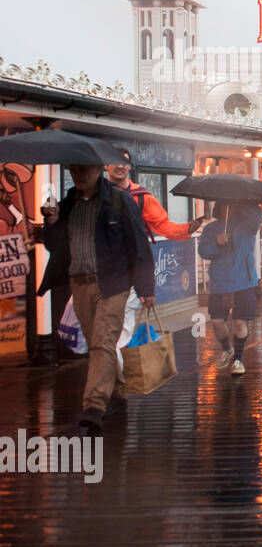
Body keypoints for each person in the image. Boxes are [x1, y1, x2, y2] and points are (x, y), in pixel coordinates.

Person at [36, 163, 156, 435]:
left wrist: (146, 288)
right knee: (95, 343)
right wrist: (52, 222)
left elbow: (138, 243)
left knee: (103, 341)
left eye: (84, 171)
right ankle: (117, 394)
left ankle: (94, 407)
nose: (78, 176)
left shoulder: (118, 200)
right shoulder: (68, 203)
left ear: (98, 170)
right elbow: (56, 246)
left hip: (113, 283)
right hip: (79, 283)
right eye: (74, 171)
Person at [198, 200, 262, 376]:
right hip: (220, 283)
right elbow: (204, 252)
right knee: (217, 321)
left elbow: (258, 217)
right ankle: (227, 349)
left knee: (239, 321)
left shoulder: (247, 225)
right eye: (225, 204)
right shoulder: (210, 229)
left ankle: (238, 359)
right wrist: (217, 242)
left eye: (232, 204)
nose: (229, 207)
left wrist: (245, 203)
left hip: (244, 282)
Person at [106, 147, 204, 240]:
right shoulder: (98, 193)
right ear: (106, 165)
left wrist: (186, 229)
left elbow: (163, 226)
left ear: (130, 166)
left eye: (124, 162)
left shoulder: (141, 196)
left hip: (132, 254)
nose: (120, 166)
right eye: (115, 161)